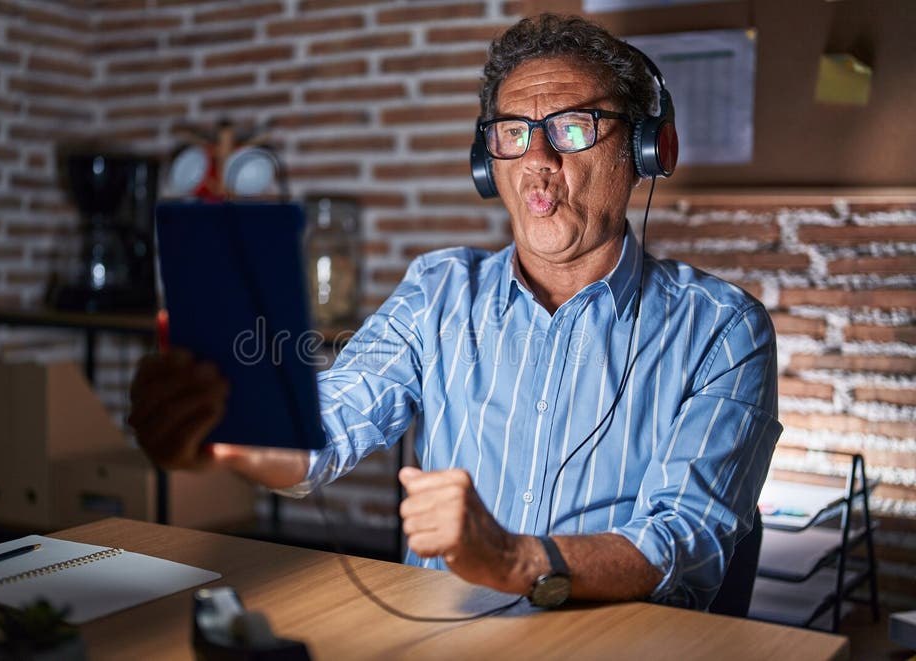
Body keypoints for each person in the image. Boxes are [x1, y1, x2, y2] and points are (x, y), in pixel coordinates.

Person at [129, 14, 781, 610]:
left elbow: (688, 537)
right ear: (484, 162)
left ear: (646, 151)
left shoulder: (722, 331)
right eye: (511, 134)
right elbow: (325, 424)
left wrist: (519, 559)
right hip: (449, 639)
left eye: (574, 128)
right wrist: (225, 431)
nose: (538, 164)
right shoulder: (439, 291)